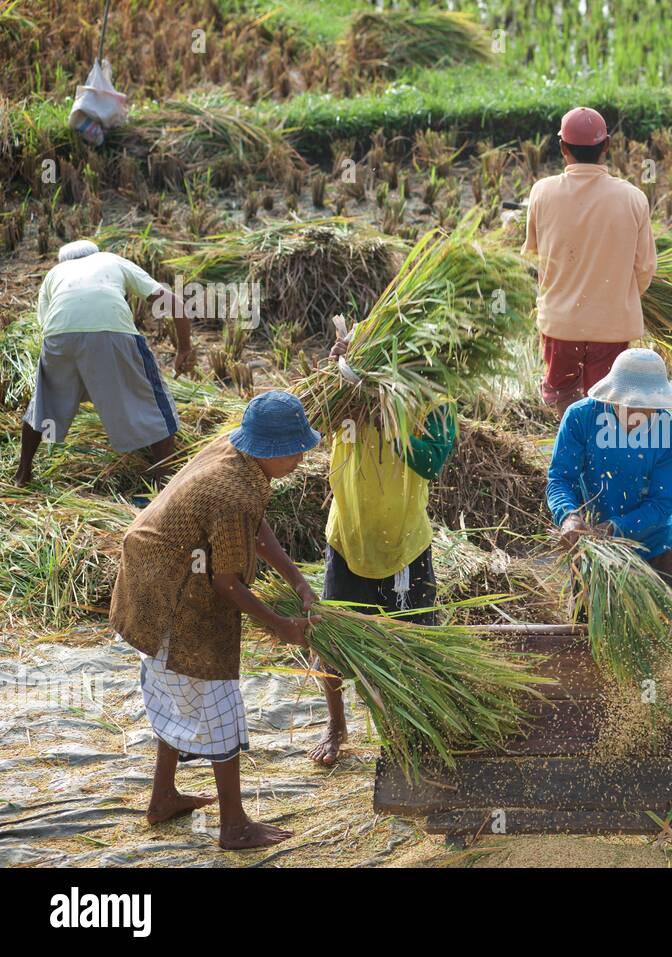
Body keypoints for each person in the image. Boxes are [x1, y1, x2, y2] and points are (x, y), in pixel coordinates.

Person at [109, 391, 322, 850]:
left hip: (163, 570)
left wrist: (298, 582)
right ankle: (234, 825)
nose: (304, 455)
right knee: (214, 699)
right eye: (299, 448)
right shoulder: (230, 492)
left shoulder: (239, 454)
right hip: (168, 591)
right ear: (276, 451)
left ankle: (163, 797)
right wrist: (281, 626)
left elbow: (254, 524)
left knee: (176, 691)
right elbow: (226, 584)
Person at [309, 338, 458, 766]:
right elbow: (311, 421)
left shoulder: (433, 400)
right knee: (332, 638)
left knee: (412, 640)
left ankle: (409, 723)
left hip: (404, 545)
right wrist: (332, 369)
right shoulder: (349, 392)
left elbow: (430, 463)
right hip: (348, 536)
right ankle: (336, 725)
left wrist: (390, 420)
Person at [15, 240, 194, 487]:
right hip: (112, 332)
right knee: (155, 406)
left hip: (58, 337)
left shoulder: (54, 274)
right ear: (95, 253)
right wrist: (185, 348)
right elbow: (173, 302)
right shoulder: (111, 260)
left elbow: (48, 327)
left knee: (43, 403)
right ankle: (165, 485)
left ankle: (22, 474)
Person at [522, 107, 656, 415]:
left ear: (562, 147)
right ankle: (601, 453)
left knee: (562, 397)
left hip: (560, 326)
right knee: (605, 402)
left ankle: (570, 443)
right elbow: (645, 269)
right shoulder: (634, 197)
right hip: (612, 327)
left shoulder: (542, 192)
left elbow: (532, 255)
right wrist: (617, 299)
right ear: (606, 145)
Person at [547, 348, 672, 585]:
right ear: (613, 395)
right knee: (586, 620)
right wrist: (569, 516)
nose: (637, 413)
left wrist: (615, 528)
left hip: (651, 548)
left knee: (659, 619)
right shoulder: (581, 417)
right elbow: (561, 478)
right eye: (627, 405)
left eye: (647, 406)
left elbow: (661, 504)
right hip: (591, 549)